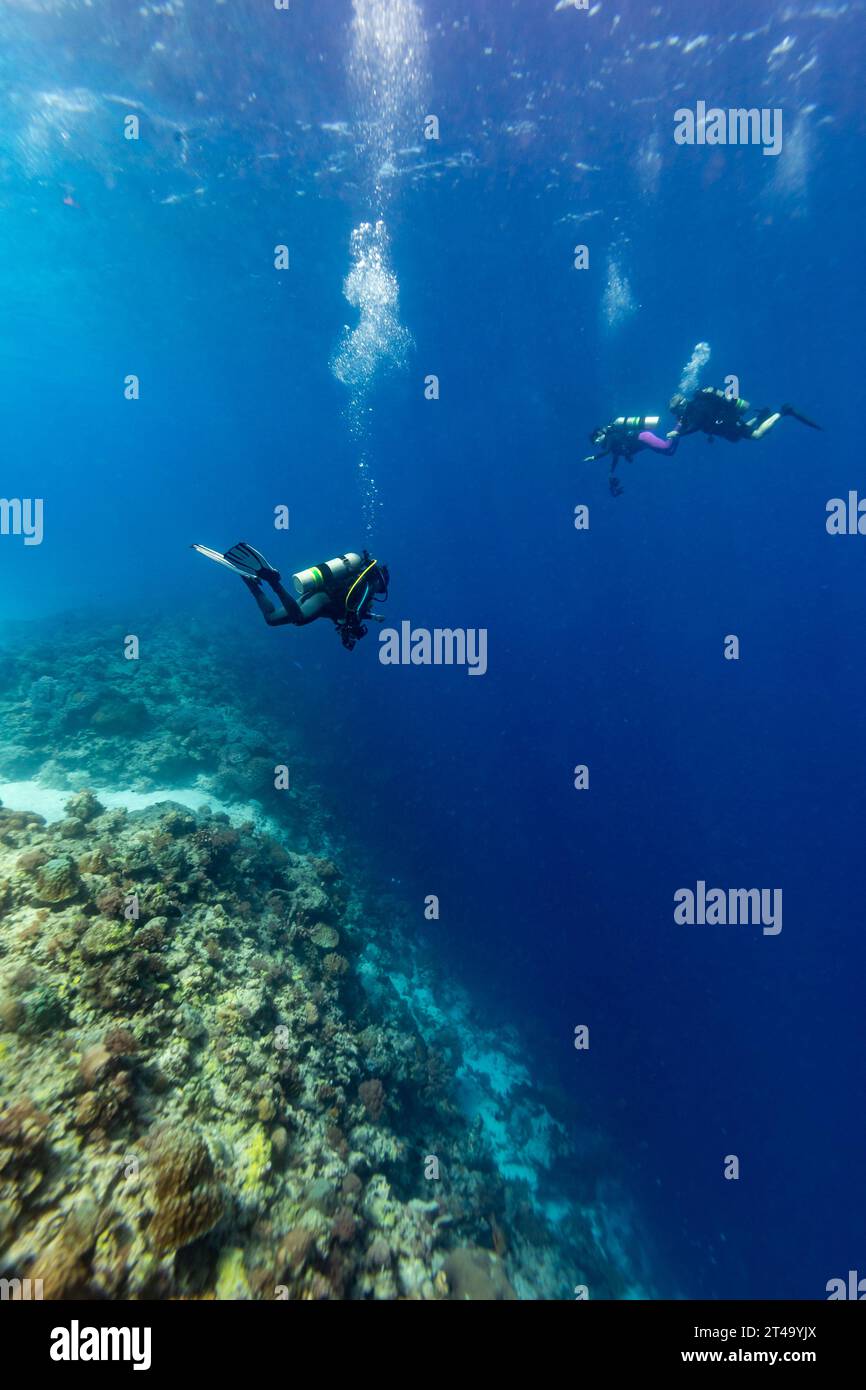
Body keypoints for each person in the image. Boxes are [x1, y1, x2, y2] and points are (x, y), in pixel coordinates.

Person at [192, 541, 389, 649]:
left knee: (271, 619)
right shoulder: (369, 587)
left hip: (317, 594)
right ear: (381, 584)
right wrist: (352, 630)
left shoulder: (361, 582)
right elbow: (355, 611)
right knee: (299, 619)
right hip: (324, 598)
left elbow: (353, 611)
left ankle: (251, 582)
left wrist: (371, 617)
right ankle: (273, 581)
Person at [667, 388, 822, 446]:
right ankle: (762, 417)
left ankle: (783, 411)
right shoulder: (697, 404)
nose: (677, 416)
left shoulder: (694, 411)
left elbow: (698, 424)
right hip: (727, 422)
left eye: (676, 412)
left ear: (680, 407)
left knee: (756, 435)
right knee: (739, 435)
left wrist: (679, 433)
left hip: (727, 423)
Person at [584, 415, 678, 495]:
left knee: (666, 447)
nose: (596, 442)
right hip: (643, 443)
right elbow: (615, 459)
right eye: (594, 442)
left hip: (643, 437)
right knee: (669, 452)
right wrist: (611, 473)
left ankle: (678, 427)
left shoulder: (610, 437)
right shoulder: (613, 446)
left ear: (600, 434)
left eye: (595, 439)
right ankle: (677, 435)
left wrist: (593, 457)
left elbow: (607, 451)